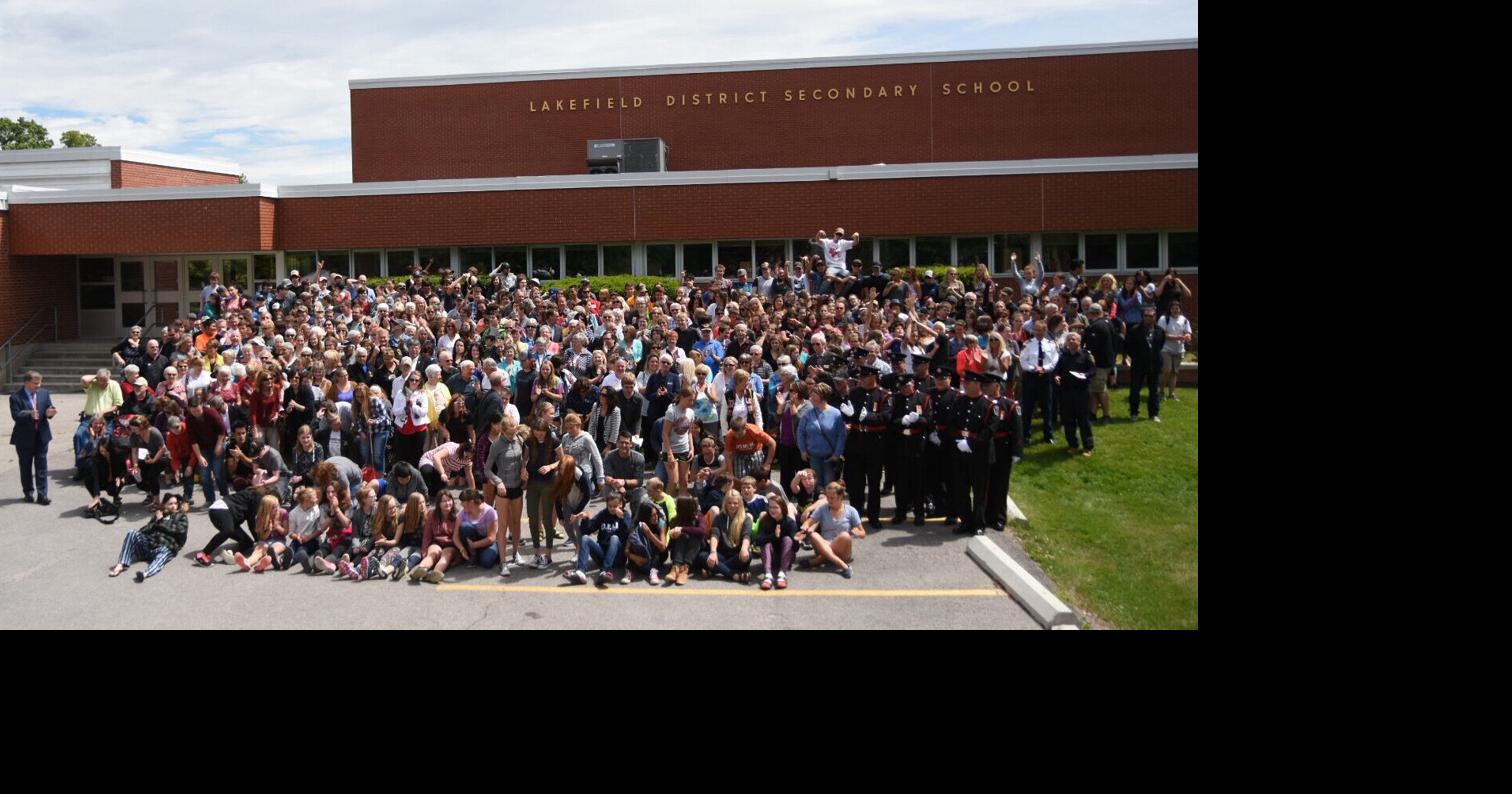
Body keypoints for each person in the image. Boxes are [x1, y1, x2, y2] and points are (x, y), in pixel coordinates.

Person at [840, 363, 889, 529]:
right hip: (856, 442)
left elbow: (886, 417)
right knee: (856, 484)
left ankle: (874, 515)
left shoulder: (883, 395)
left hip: (874, 443)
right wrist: (848, 415)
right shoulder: (854, 393)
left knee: (874, 483)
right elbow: (849, 413)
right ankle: (856, 515)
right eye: (861, 376)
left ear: (873, 376)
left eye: (865, 376)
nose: (861, 379)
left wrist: (870, 417)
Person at [947, 370, 996, 536]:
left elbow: (990, 429)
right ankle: (966, 521)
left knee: (980, 492)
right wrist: (958, 440)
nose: (965, 385)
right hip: (961, 452)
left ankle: (979, 523)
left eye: (968, 382)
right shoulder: (959, 402)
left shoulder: (989, 405)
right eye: (965, 382)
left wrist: (972, 444)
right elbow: (951, 423)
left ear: (977, 384)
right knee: (961, 489)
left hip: (980, 455)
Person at [108, 493, 189, 582]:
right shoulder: (160, 514)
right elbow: (143, 530)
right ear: (164, 505)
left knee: (165, 551)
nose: (174, 506)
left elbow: (178, 530)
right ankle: (121, 564)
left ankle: (145, 574)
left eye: (175, 503)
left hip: (164, 547)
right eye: (170, 504)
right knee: (132, 533)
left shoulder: (181, 517)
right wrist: (156, 521)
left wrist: (161, 522)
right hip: (149, 545)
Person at [795, 482, 863, 578]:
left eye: (832, 498)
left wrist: (857, 532)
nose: (829, 501)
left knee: (845, 535)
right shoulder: (823, 509)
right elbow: (810, 521)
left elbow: (862, 533)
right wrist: (805, 526)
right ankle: (843, 566)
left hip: (842, 551)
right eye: (827, 497)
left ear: (840, 497)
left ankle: (818, 560)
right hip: (824, 545)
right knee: (813, 535)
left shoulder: (851, 511)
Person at [10, 371, 58, 505]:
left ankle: (42, 495)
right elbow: (15, 415)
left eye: (40, 383)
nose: (39, 386)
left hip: (41, 436)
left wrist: (50, 413)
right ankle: (28, 492)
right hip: (24, 438)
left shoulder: (44, 393)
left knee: (42, 466)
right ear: (26, 382)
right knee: (25, 466)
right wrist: (29, 414)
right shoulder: (15, 397)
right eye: (35, 383)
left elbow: (49, 408)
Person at [565, 491, 633, 585]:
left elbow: (628, 534)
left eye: (615, 506)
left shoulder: (625, 515)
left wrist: (621, 518)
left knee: (614, 538)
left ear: (621, 504)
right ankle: (580, 572)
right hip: (601, 555)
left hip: (618, 558)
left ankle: (605, 571)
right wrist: (585, 519)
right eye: (610, 506)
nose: (612, 509)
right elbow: (587, 531)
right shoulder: (603, 514)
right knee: (585, 538)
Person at [522, 418, 564, 569]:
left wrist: (550, 466)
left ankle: (548, 555)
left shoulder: (553, 440)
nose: (539, 436)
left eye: (542, 433)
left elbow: (562, 460)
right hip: (533, 482)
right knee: (533, 517)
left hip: (548, 483)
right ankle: (536, 554)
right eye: (537, 433)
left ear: (546, 431)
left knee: (547, 520)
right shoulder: (529, 441)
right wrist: (523, 470)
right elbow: (525, 459)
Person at [1053, 332, 1096, 456]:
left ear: (1079, 341)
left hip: (1081, 392)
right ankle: (1072, 444)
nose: (1071, 341)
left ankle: (1088, 446)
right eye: (1069, 339)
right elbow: (1057, 370)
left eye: (1074, 339)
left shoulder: (1086, 355)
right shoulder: (1063, 356)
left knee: (1083, 420)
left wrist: (1086, 375)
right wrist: (1056, 376)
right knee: (1068, 420)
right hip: (1066, 392)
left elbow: (1093, 370)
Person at [796, 382, 846, 488]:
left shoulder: (836, 413)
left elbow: (841, 435)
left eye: (814, 395)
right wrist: (803, 450)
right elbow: (800, 433)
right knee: (816, 486)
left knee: (829, 485)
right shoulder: (808, 414)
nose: (811, 398)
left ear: (822, 396)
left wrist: (837, 454)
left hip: (830, 457)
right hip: (813, 456)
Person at [1018, 320, 1060, 444]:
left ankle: (1048, 435)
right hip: (1031, 378)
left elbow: (1054, 360)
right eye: (1035, 330)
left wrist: (1044, 368)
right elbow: (1023, 360)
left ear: (1045, 331)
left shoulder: (1051, 345)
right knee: (1028, 407)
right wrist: (1033, 368)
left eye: (1040, 330)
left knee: (1047, 407)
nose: (1037, 332)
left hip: (1045, 377)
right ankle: (1026, 435)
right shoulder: (1028, 344)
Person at [408, 490, 461, 584]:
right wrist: (424, 550)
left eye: (449, 500)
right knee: (433, 554)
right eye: (444, 501)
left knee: (446, 555)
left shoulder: (458, 516)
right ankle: (421, 570)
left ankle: (435, 573)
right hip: (436, 542)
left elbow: (459, 538)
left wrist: (458, 557)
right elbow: (427, 535)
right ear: (439, 504)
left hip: (451, 544)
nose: (447, 503)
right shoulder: (432, 515)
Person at [1124, 306, 1167, 422]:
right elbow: (1128, 347)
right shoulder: (1134, 330)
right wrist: (1137, 357)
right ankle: (1134, 413)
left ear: (1155, 317)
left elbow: (1160, 345)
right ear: (1143, 317)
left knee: (1154, 391)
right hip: (1138, 364)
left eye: (1151, 316)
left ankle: (1154, 414)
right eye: (1146, 316)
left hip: (1154, 364)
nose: (1148, 318)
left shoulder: (1160, 331)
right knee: (1135, 390)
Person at [704, 489, 754, 583]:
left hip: (737, 555)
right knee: (702, 555)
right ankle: (733, 574)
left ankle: (714, 570)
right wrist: (713, 552)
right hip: (722, 553)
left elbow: (746, 536)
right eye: (729, 503)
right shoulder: (719, 517)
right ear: (725, 503)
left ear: (740, 504)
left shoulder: (746, 518)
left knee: (748, 556)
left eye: (735, 503)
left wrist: (744, 549)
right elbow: (715, 535)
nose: (732, 506)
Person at [1082, 304, 1118, 424]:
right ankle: (1092, 413)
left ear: (1092, 313)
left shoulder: (1095, 327)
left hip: (1099, 363)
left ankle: (1106, 415)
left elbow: (1092, 346)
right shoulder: (1108, 323)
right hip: (1109, 361)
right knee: (1094, 389)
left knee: (1100, 389)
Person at [754, 495, 798, 590]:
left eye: (775, 507)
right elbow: (758, 541)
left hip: (787, 558)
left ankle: (782, 575)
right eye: (770, 507)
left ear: (782, 508)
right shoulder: (765, 520)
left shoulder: (789, 522)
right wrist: (774, 536)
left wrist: (796, 540)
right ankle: (768, 576)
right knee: (766, 542)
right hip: (770, 558)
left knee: (787, 539)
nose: (772, 510)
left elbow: (795, 549)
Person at [663, 495, 707, 586]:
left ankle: (685, 569)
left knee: (695, 536)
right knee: (682, 536)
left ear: (684, 508)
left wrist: (682, 529)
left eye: (677, 506)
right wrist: (673, 537)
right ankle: (675, 568)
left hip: (695, 554)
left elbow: (702, 531)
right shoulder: (675, 520)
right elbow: (670, 546)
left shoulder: (699, 517)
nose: (675, 507)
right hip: (678, 555)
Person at [662, 386, 698, 497]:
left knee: (684, 481)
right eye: (689, 400)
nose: (691, 403)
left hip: (684, 448)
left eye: (693, 400)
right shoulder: (671, 411)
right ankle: (666, 507)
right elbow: (665, 434)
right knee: (674, 482)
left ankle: (683, 507)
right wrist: (670, 454)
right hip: (671, 449)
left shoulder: (691, 413)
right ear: (682, 397)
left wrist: (692, 448)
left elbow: (689, 432)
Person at [455, 488, 501, 572]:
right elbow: (455, 536)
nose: (461, 504)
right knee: (465, 527)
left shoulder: (489, 512)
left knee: (487, 562)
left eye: (462, 502)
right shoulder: (463, 512)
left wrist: (474, 545)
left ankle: (488, 553)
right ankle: (473, 555)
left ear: (471, 502)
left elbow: (491, 538)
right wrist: (462, 549)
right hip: (471, 543)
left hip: (487, 542)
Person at [624, 499, 667, 586]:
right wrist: (634, 557)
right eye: (652, 516)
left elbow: (663, 547)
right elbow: (626, 550)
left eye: (656, 514)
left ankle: (653, 571)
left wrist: (649, 534)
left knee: (656, 537)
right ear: (646, 517)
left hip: (656, 556)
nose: (656, 518)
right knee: (635, 540)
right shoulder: (636, 526)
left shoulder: (661, 523)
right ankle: (630, 571)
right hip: (641, 557)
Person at [1157, 302, 1193, 401]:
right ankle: (1161, 392)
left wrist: (1187, 337)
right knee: (1166, 370)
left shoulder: (1184, 320)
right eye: (1173, 308)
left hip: (1179, 350)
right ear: (1170, 309)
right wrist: (1180, 337)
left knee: (1174, 372)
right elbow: (1164, 335)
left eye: (1177, 308)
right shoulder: (1164, 319)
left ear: (1180, 309)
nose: (1175, 310)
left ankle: (1172, 393)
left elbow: (1188, 332)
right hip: (1166, 349)